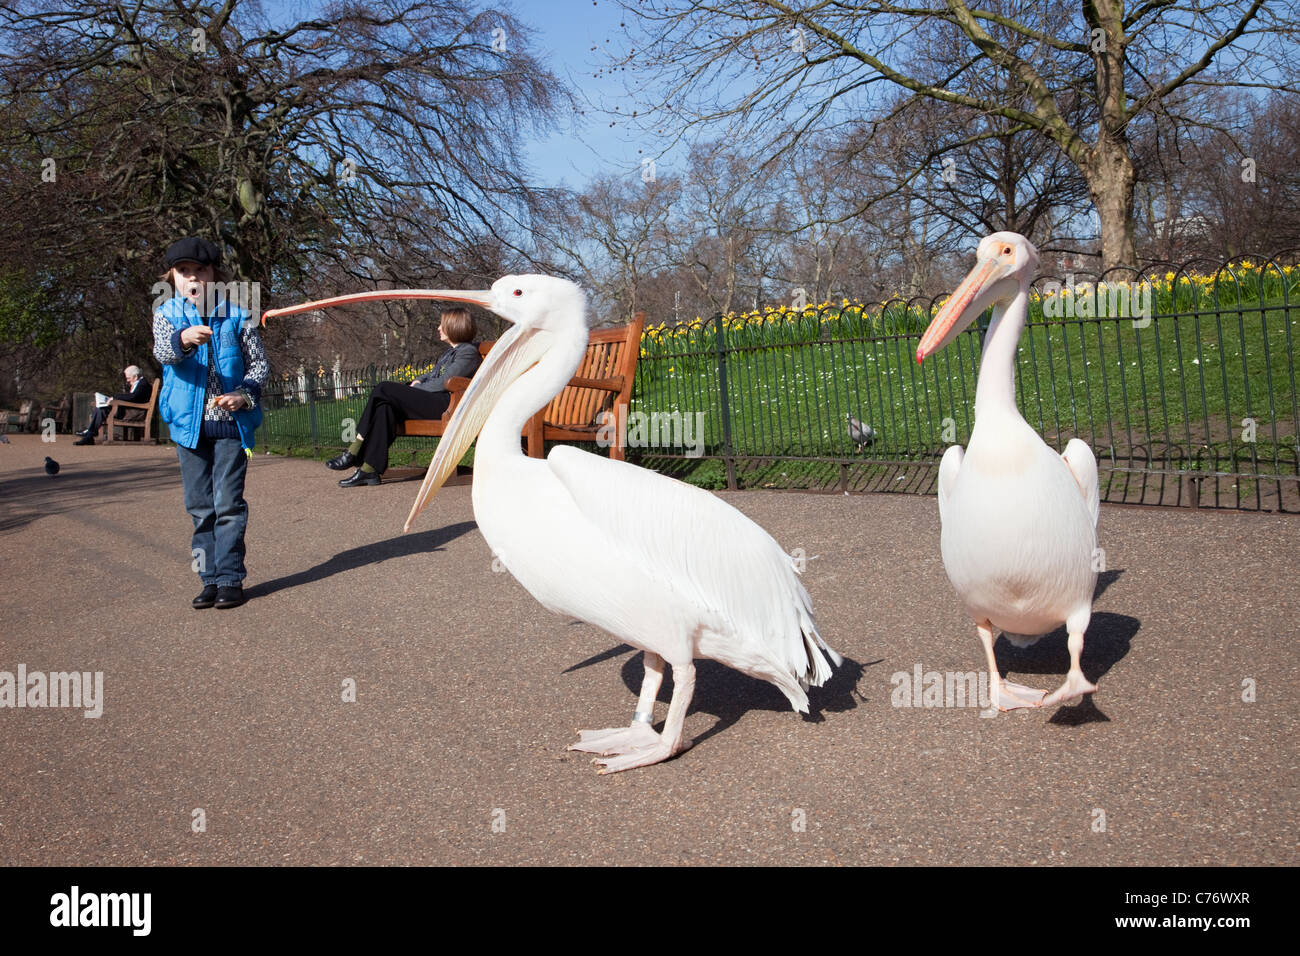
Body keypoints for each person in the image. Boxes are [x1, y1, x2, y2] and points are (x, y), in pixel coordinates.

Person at [152, 236, 269, 610]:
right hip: (188, 429)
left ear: (214, 274)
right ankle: (209, 580)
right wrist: (183, 339)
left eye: (199, 271)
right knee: (200, 508)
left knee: (229, 505)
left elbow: (260, 366)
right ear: (172, 276)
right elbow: (163, 352)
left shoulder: (237, 315)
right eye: (183, 271)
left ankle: (231, 579)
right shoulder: (167, 314)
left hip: (230, 427)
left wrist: (244, 394)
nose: (192, 278)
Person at [327, 308, 481, 486]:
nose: (438, 328)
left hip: (445, 404)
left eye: (442, 324)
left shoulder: (467, 352)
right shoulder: (450, 352)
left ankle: (354, 450)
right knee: (385, 408)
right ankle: (369, 470)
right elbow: (432, 375)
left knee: (383, 388)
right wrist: (416, 381)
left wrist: (418, 388)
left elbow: (445, 383)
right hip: (433, 400)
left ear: (454, 326)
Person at [74, 365, 151, 444]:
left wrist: (115, 398)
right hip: (129, 410)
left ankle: (89, 434)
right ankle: (89, 435)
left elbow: (133, 397)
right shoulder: (139, 383)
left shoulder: (143, 384)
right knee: (100, 408)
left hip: (134, 413)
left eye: (128, 378)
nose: (127, 381)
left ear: (135, 377)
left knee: (101, 409)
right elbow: (132, 397)